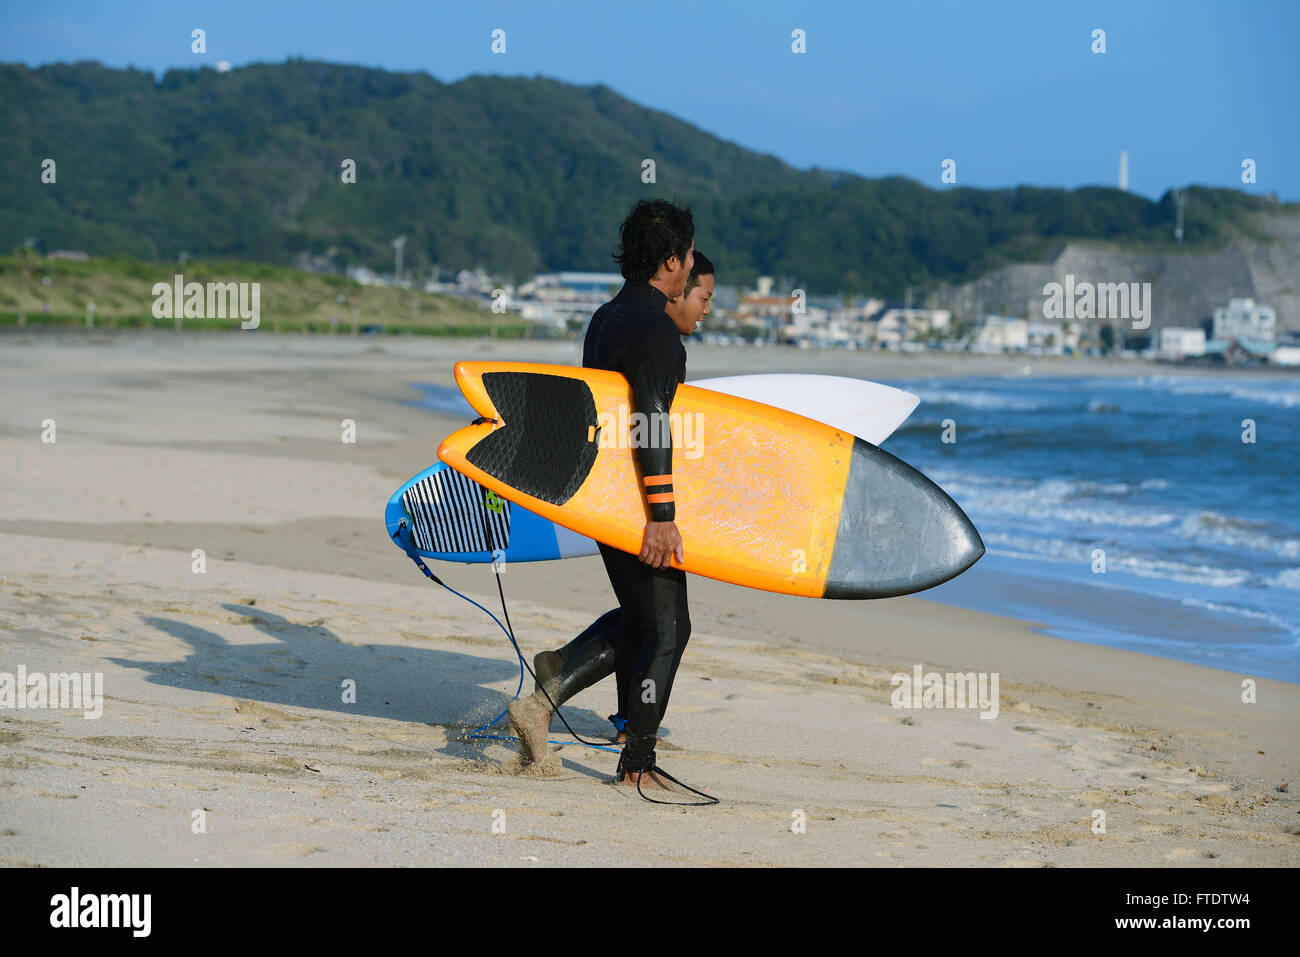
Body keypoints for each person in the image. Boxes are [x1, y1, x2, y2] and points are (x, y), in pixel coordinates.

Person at [507, 199, 701, 793]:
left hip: (601, 494)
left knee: (645, 621)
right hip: (636, 504)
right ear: (672, 261)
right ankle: (633, 760)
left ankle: (556, 677)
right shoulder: (656, 331)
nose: (693, 266)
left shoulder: (607, 317)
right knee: (668, 629)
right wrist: (662, 514)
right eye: (689, 255)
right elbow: (651, 419)